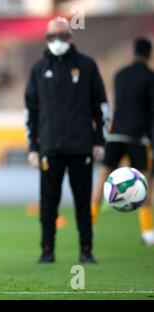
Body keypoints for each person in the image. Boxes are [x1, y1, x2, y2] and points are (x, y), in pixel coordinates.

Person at [25, 17, 108, 264]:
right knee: (48, 204)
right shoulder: (39, 68)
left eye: (61, 36)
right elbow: (31, 111)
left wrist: (99, 141)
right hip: (49, 147)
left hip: (81, 146)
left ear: (71, 38)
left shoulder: (86, 66)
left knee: (83, 203)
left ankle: (86, 250)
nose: (56, 41)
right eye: (51, 37)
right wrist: (33, 147)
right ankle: (47, 250)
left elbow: (100, 107)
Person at [91, 38, 154, 246]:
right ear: (149, 54)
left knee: (102, 177)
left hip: (116, 133)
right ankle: (147, 232)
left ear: (133, 53)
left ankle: (90, 225)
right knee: (145, 180)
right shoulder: (150, 77)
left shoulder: (120, 75)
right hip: (138, 136)